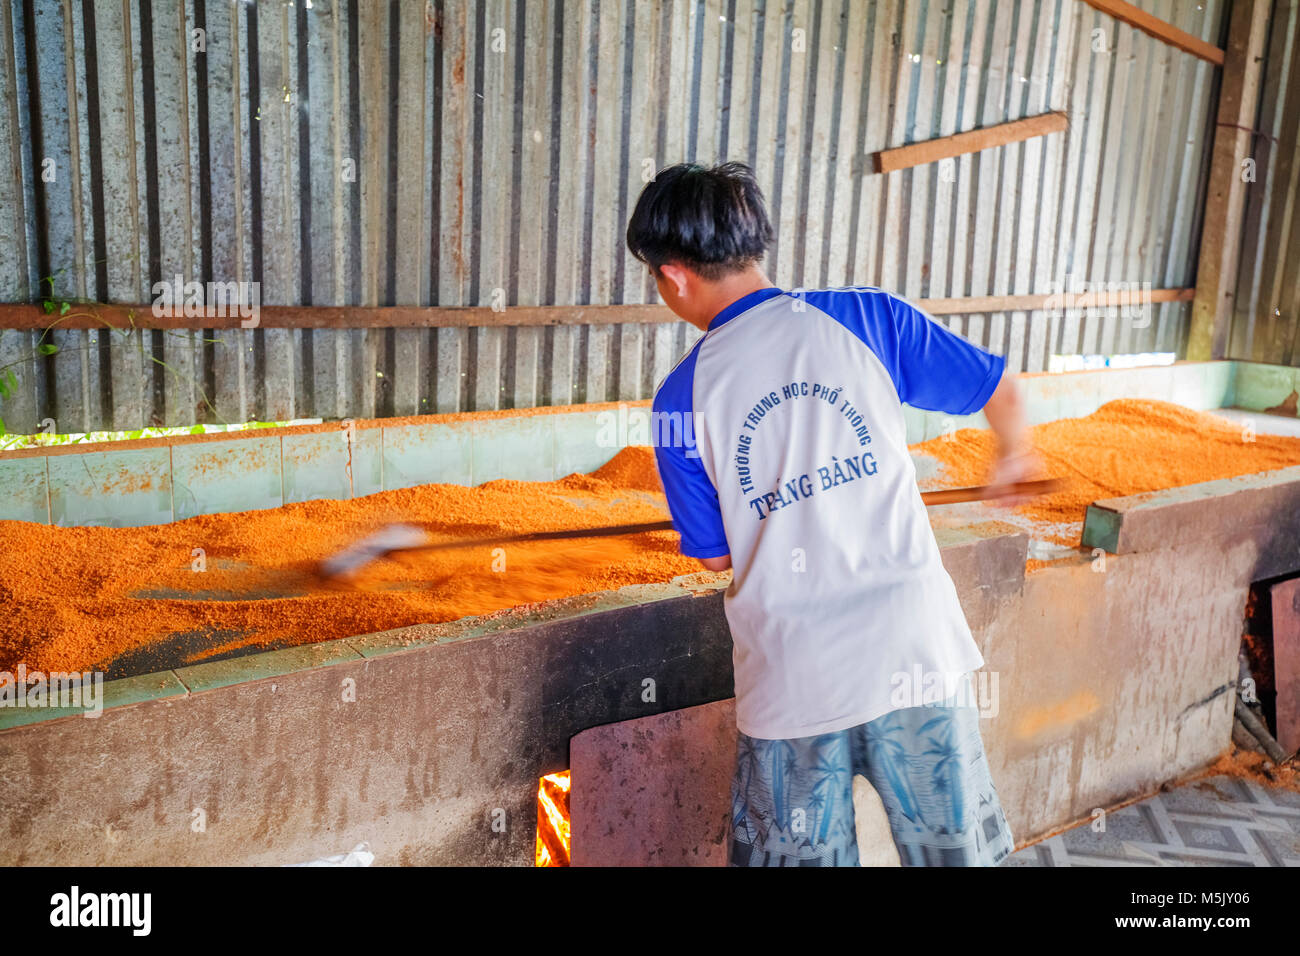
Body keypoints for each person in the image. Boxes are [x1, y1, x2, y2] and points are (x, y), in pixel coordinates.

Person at [627, 161, 1039, 867]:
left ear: (673, 277)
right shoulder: (870, 318)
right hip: (916, 658)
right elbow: (998, 384)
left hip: (794, 682)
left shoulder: (679, 401)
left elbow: (714, 557)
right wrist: (1013, 454)